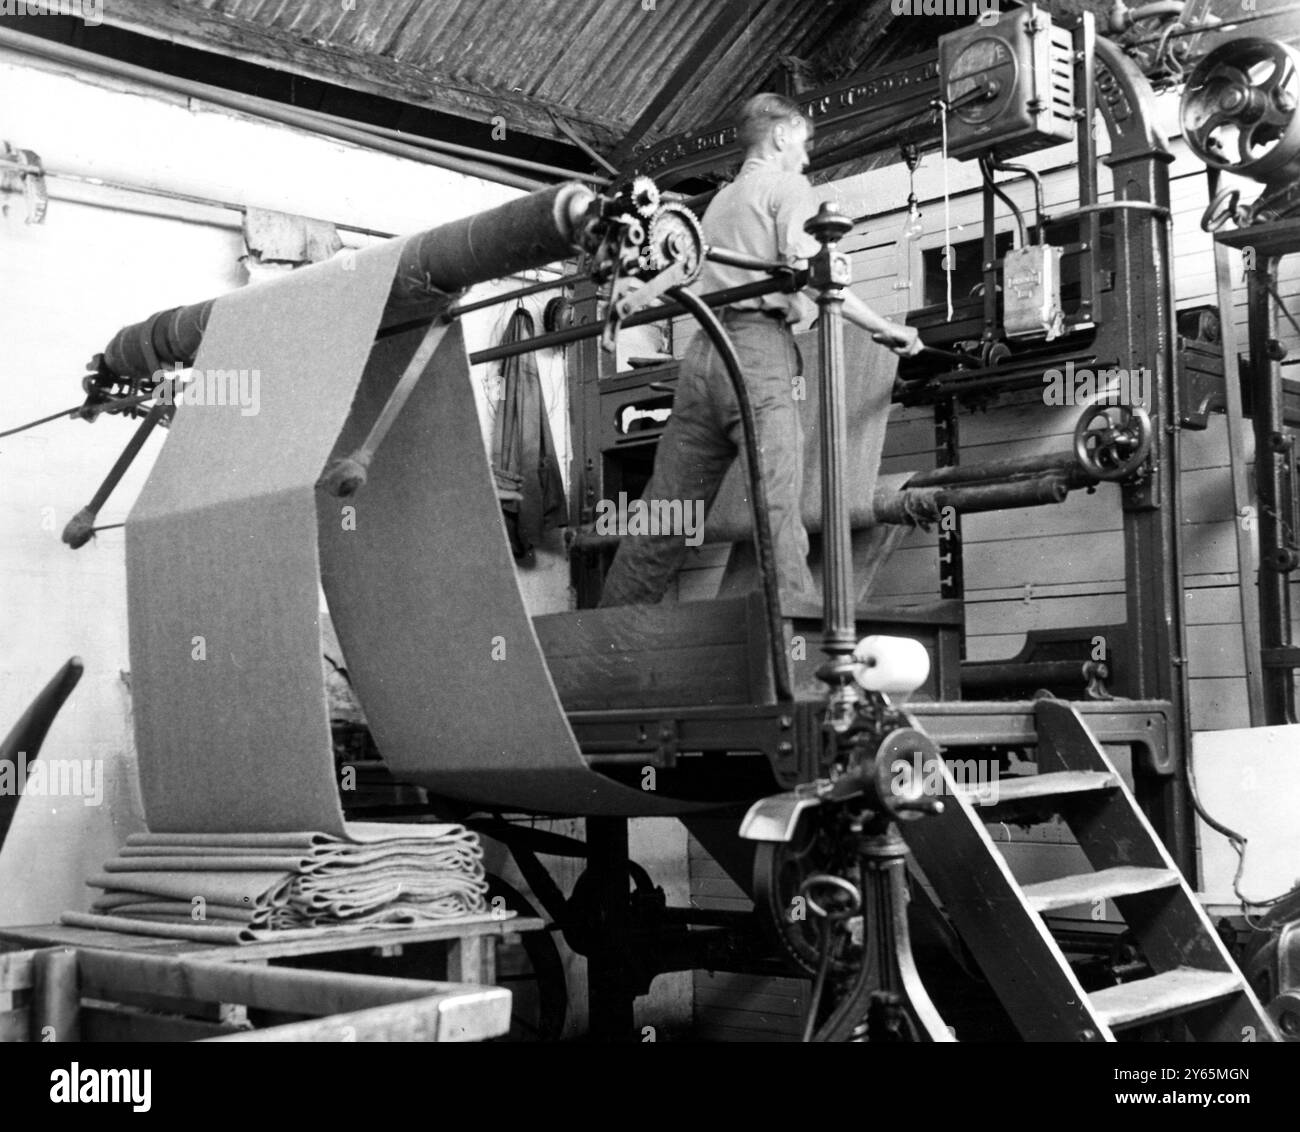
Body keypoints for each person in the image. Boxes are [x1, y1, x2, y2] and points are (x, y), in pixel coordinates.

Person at [599, 93, 922, 610]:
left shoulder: (719, 202)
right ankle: (797, 633)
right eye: (805, 143)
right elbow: (816, 274)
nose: (807, 157)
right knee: (777, 504)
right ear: (781, 134)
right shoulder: (788, 188)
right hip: (756, 353)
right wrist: (887, 330)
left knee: (666, 512)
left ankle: (611, 630)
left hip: (703, 355)